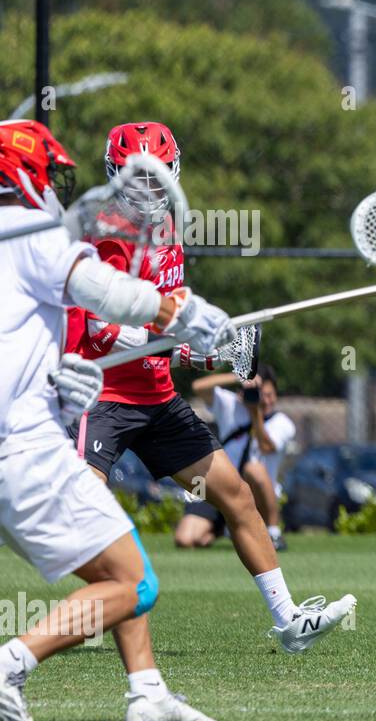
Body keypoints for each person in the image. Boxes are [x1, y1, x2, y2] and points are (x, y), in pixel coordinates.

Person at [64, 121, 354, 655]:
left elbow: (172, 310)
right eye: (136, 181)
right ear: (114, 179)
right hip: (100, 397)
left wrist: (204, 343)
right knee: (89, 511)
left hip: (155, 397)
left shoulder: (169, 231)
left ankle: (289, 619)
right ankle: (92, 617)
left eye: (157, 181)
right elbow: (104, 332)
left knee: (236, 496)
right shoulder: (99, 237)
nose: (149, 194)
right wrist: (178, 340)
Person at [0, 118, 230, 721]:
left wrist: (56, 383)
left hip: (23, 437)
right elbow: (106, 290)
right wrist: (182, 314)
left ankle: (147, 690)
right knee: (133, 582)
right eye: (48, 173)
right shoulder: (30, 231)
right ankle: (12, 664)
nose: (54, 185)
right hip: (20, 453)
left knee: (114, 562)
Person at [175, 364, 294, 551]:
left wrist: (255, 413)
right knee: (185, 539)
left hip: (257, 500)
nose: (266, 401)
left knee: (253, 470)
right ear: (242, 393)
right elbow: (199, 387)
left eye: (270, 395)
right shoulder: (231, 405)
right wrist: (240, 377)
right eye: (261, 394)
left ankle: (273, 532)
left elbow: (266, 446)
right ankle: (223, 528)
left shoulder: (282, 422)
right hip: (224, 490)